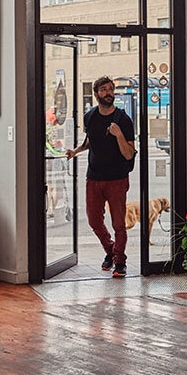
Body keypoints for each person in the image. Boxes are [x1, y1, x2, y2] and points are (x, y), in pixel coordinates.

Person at [65, 76, 135, 277]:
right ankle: (110, 251)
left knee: (118, 224)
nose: (108, 93)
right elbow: (90, 141)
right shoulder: (90, 117)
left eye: (111, 89)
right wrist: (76, 151)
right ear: (96, 94)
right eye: (104, 90)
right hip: (93, 177)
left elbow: (129, 153)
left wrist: (119, 134)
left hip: (117, 178)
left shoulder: (123, 119)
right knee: (94, 220)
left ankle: (120, 261)